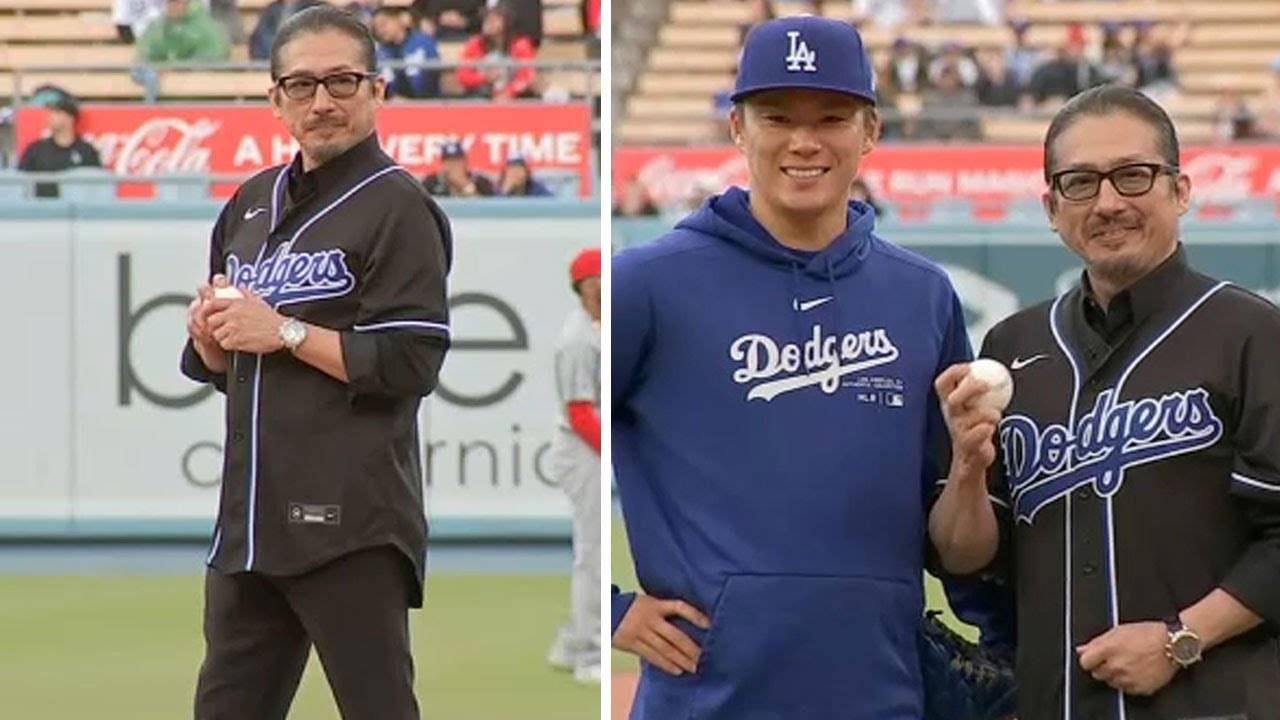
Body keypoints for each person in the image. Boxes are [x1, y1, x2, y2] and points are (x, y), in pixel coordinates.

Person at [612, 16, 1012, 719]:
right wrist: (606, 607)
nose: (804, 141)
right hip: (709, 698)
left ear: (870, 131)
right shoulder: (649, 283)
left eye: (831, 117)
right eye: (777, 117)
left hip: (879, 693)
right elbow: (560, 433)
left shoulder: (920, 295)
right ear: (738, 128)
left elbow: (955, 548)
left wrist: (970, 473)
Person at [930, 84, 1280, 720]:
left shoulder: (1252, 334)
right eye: (1081, 182)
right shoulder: (1015, 345)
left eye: (1133, 175)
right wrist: (966, 468)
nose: (1109, 202)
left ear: (1180, 190)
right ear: (1051, 206)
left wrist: (1180, 639)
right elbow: (965, 555)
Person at [180, 6, 452, 718]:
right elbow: (232, 366)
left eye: (341, 81)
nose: (322, 101)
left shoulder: (398, 206)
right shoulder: (249, 203)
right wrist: (213, 340)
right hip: (249, 526)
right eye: (301, 85)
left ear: (377, 91)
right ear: (275, 100)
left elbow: (410, 363)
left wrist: (285, 332)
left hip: (351, 525)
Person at [545, 247, 602, 685]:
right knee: (593, 552)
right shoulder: (577, 338)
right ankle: (589, 653)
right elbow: (580, 412)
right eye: (597, 281)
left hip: (591, 444)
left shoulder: (600, 327)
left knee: (593, 550)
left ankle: (570, 642)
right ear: (584, 288)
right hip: (582, 448)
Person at [18, 86, 103, 199]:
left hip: (75, 207)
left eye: (57, 113)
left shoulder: (86, 151)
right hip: (41, 207)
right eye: (50, 112)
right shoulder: (35, 150)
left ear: (70, 118)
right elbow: (20, 182)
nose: (50, 117)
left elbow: (97, 186)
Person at [455, 3, 537, 100]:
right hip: (482, 93)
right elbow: (463, 76)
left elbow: (525, 77)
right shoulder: (475, 43)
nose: (488, 23)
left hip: (514, 96)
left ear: (506, 23)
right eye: (486, 20)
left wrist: (509, 92)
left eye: (494, 20)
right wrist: (485, 77)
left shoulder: (521, 44)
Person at [371, 5, 441, 99]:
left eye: (384, 24)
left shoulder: (423, 41)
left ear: (399, 20)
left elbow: (434, 72)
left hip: (427, 100)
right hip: (392, 103)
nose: (381, 31)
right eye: (376, 28)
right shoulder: (379, 52)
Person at [137, 0, 230, 63]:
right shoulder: (158, 26)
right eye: (170, 2)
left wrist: (175, 67)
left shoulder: (205, 26)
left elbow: (214, 57)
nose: (172, 6)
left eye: (177, 2)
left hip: (203, 80)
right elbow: (146, 54)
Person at [421, 141, 495, 197]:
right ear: (443, 164)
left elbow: (488, 209)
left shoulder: (481, 182)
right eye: (449, 161)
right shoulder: (431, 182)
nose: (453, 166)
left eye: (457, 161)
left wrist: (466, 185)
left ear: (465, 162)